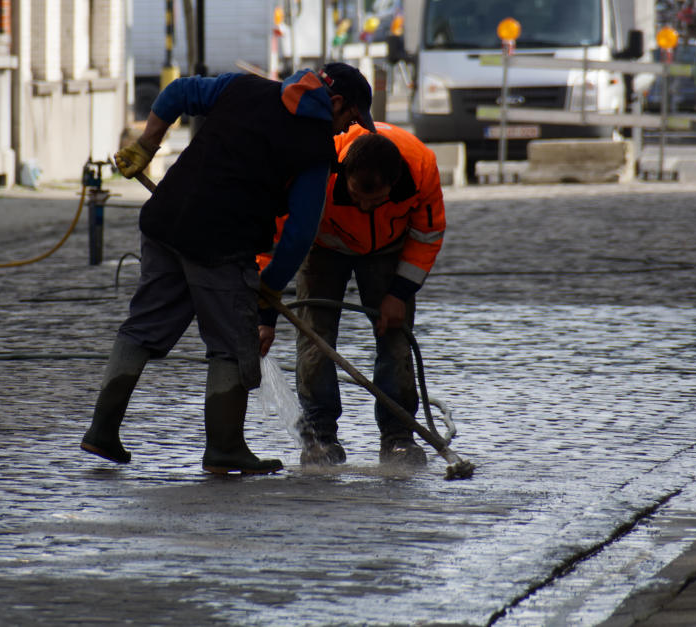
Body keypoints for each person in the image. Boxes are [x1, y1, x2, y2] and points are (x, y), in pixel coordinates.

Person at [79, 63, 377, 475]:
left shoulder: (244, 88)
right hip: (221, 244)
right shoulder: (315, 148)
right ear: (337, 102)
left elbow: (177, 92)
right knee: (233, 344)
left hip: (167, 221)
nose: (346, 130)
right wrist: (269, 290)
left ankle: (102, 430)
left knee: (142, 328)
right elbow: (299, 235)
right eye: (351, 120)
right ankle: (225, 448)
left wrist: (147, 145)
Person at [262, 122, 446, 467]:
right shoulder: (315, 167)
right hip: (323, 246)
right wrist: (265, 314)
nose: (364, 208)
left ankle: (398, 437)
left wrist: (399, 293)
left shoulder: (421, 167)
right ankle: (320, 436)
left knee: (395, 340)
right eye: (358, 197)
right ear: (342, 174)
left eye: (375, 201)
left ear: (395, 183)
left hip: (389, 250)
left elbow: (427, 235)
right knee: (315, 337)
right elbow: (273, 241)